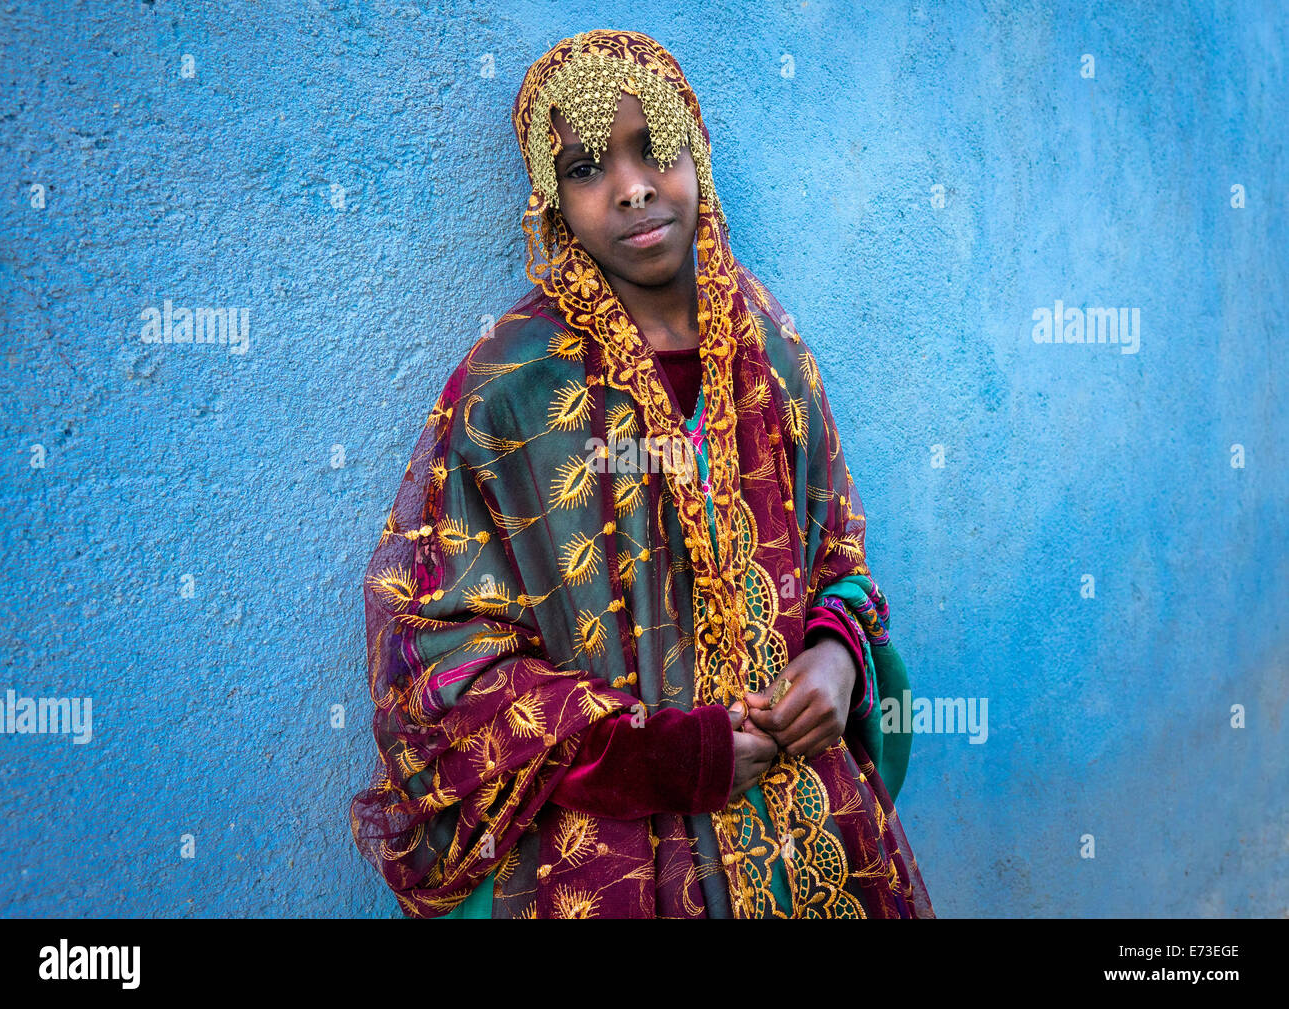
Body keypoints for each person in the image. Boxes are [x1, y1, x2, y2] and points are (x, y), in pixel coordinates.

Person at [349, 28, 934, 919]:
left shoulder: (771, 349)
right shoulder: (514, 387)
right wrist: (664, 754)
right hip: (625, 855)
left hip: (808, 829)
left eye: (655, 147)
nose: (632, 186)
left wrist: (834, 658)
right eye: (587, 167)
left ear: (695, 151)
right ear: (552, 203)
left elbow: (837, 560)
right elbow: (443, 657)